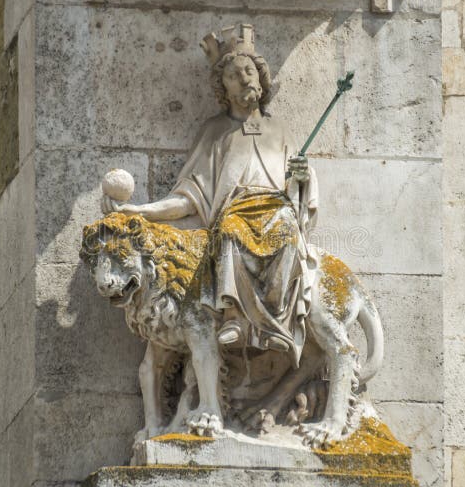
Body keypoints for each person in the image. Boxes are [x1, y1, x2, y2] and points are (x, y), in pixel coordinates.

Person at [103, 24, 318, 366]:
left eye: (249, 71)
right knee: (229, 232)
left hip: (277, 210)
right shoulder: (215, 133)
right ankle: (233, 315)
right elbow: (191, 197)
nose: (244, 79)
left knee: (288, 233)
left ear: (261, 79)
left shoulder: (280, 132)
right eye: (233, 75)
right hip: (237, 212)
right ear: (223, 88)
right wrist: (140, 211)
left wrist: (300, 180)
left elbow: (302, 190)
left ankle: (276, 322)